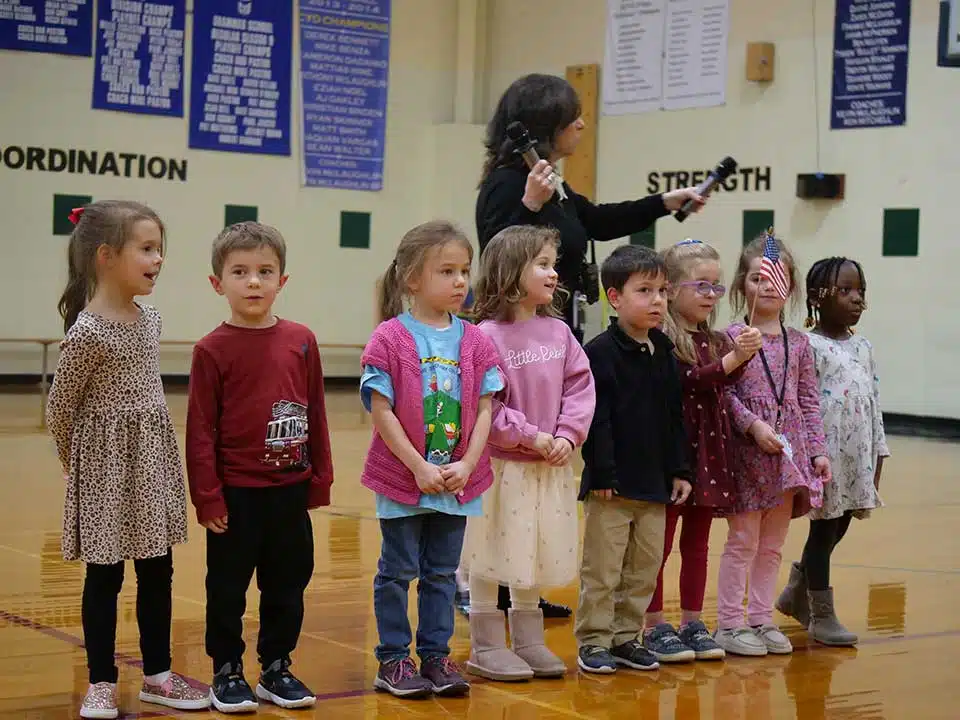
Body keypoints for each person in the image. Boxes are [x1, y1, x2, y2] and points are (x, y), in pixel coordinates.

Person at [46, 201, 209, 719]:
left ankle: (158, 674)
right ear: (106, 256)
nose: (158, 259)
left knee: (157, 570)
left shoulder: (150, 320)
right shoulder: (88, 332)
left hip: (151, 462)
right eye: (146, 248)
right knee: (105, 576)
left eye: (160, 248)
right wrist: (80, 469)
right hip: (104, 469)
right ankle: (100, 680)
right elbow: (60, 408)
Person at [186, 222, 334, 712]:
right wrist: (207, 497)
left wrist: (319, 480)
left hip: (290, 491)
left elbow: (316, 412)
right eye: (240, 272)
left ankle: (276, 667)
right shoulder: (211, 349)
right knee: (227, 588)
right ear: (217, 283)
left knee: (288, 584)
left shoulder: (302, 341)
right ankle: (227, 669)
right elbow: (201, 431)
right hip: (236, 496)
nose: (253, 282)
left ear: (282, 281)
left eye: (264, 272)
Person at [360, 221, 503, 698]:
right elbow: (380, 409)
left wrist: (467, 464)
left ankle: (437, 658)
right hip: (406, 479)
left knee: (442, 574)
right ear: (412, 279)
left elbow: (486, 407)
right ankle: (394, 661)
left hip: (456, 481)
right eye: (447, 271)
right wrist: (417, 466)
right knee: (398, 571)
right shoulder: (389, 337)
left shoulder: (476, 340)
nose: (461, 281)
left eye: (465, 270)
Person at [476, 73, 708, 343]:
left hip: (560, 324)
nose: (582, 125)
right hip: (522, 332)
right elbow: (496, 255)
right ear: (547, 125)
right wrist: (531, 204)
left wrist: (664, 202)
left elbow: (597, 220)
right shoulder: (506, 183)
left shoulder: (552, 181)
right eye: (572, 119)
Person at [463, 225, 595, 682]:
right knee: (490, 547)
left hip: (549, 465)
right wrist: (528, 436)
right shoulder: (484, 335)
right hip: (501, 467)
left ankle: (529, 639)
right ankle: (485, 643)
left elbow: (580, 388)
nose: (553, 272)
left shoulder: (559, 333)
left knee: (532, 548)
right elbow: (484, 405)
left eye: (553, 263)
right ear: (509, 271)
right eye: (541, 263)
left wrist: (566, 435)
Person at [640, 239, 763, 663]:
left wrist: (740, 358)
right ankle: (654, 623)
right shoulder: (662, 339)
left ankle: (693, 619)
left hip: (709, 451)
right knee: (662, 543)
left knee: (698, 543)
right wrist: (734, 359)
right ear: (672, 289)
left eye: (716, 286)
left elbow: (721, 386)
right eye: (702, 286)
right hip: (676, 454)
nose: (711, 295)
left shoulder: (713, 338)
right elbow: (690, 382)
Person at [573, 245, 692, 675]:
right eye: (645, 290)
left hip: (654, 482)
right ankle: (594, 640)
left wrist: (680, 469)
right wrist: (603, 471)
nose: (658, 299)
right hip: (613, 483)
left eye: (662, 290)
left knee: (644, 568)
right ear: (615, 297)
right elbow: (596, 418)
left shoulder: (663, 349)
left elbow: (673, 416)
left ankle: (626, 636)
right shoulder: (600, 351)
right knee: (603, 570)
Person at [714, 233, 832, 657]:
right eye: (756, 278)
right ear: (742, 286)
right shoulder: (730, 337)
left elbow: (807, 400)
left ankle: (761, 619)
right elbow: (723, 395)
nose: (766, 286)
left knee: (773, 543)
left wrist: (817, 451)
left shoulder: (799, 343)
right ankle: (728, 623)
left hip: (789, 455)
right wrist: (751, 425)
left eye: (776, 277)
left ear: (791, 286)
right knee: (743, 540)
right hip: (749, 454)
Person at [776, 257, 888, 646]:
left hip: (858, 457)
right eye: (845, 291)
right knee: (824, 530)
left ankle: (795, 591)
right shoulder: (807, 344)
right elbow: (800, 403)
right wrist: (805, 454)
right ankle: (821, 613)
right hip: (825, 456)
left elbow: (872, 400)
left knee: (841, 524)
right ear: (817, 298)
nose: (856, 298)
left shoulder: (863, 346)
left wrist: (879, 452)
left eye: (860, 291)